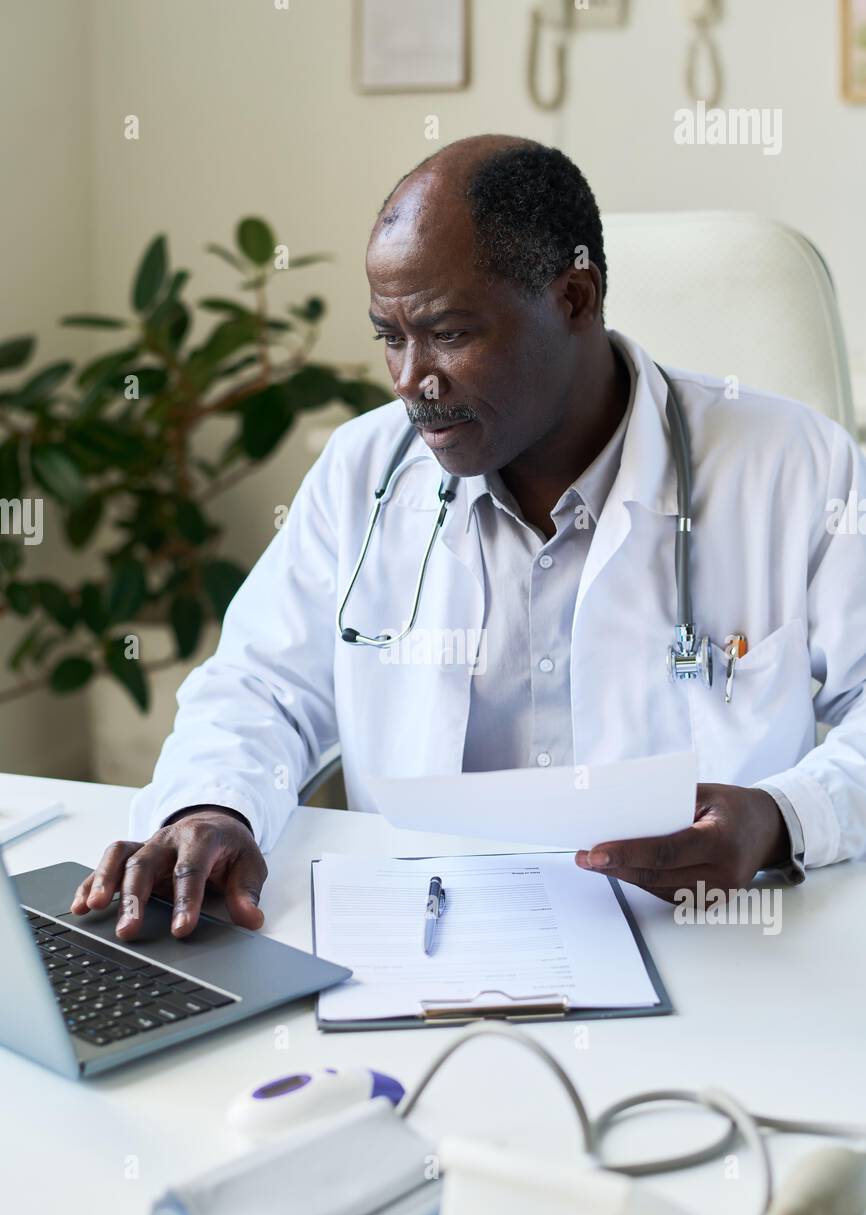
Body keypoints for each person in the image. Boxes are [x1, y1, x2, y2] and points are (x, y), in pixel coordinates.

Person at [71, 135, 866, 940]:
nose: (411, 379)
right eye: (390, 335)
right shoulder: (364, 471)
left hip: (711, 947)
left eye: (449, 333)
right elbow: (261, 686)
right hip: (419, 940)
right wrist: (213, 804)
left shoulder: (793, 466)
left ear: (575, 297)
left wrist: (782, 816)